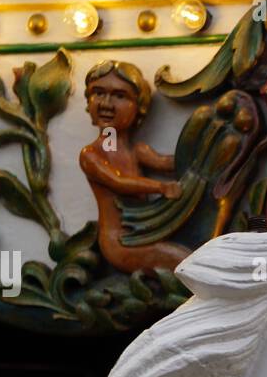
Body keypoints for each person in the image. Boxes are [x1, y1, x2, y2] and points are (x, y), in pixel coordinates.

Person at [79, 60, 189, 272]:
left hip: (146, 231)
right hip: (121, 242)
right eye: (99, 93)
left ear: (140, 107)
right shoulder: (91, 155)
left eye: (119, 96)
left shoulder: (137, 150)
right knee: (181, 261)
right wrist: (160, 187)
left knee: (186, 259)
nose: (106, 103)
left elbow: (169, 163)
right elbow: (118, 182)